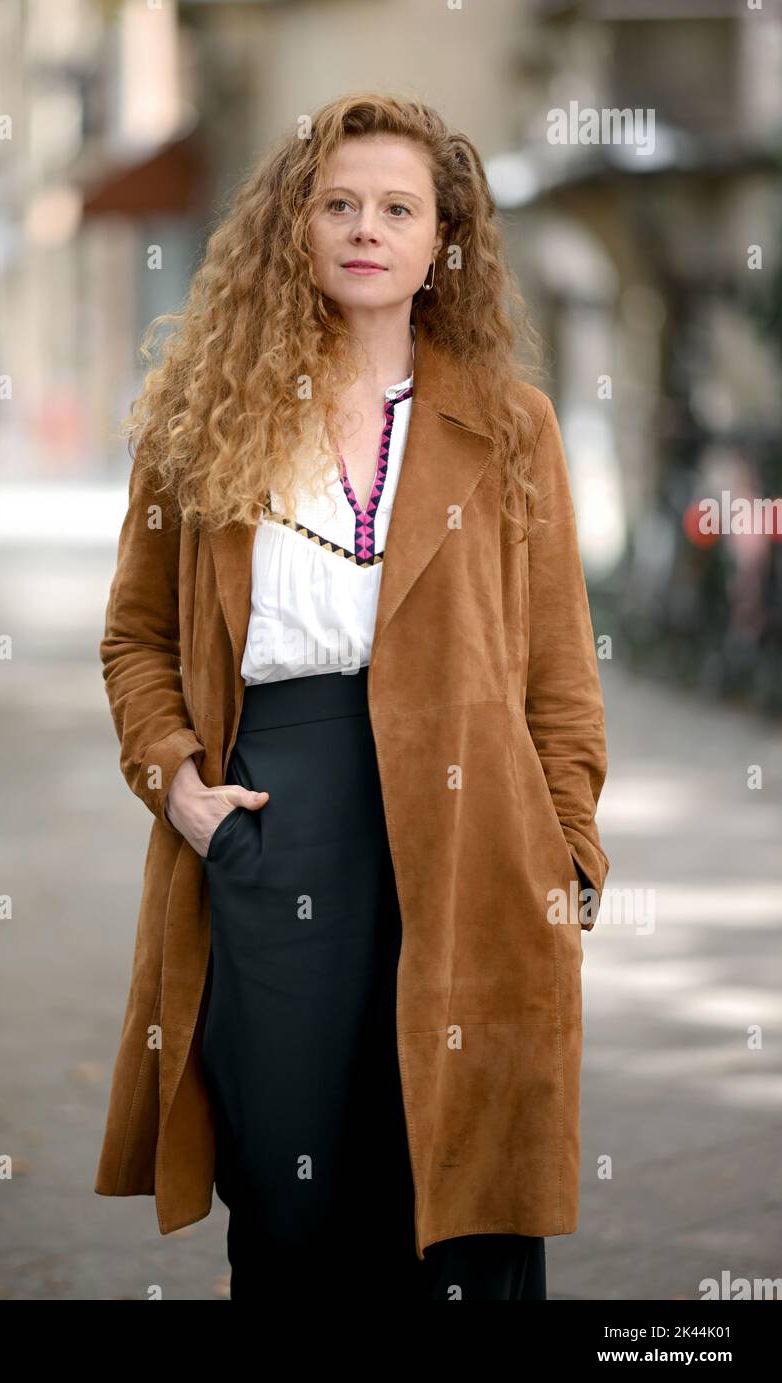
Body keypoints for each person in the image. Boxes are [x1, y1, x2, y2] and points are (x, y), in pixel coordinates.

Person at [95, 93, 610, 1302]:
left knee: (464, 1192)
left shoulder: (511, 426)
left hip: (477, 825)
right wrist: (180, 789)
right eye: (337, 203)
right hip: (276, 813)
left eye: (397, 207)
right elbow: (134, 636)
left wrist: (569, 847)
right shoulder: (197, 420)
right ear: (295, 227)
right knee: (291, 1202)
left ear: (445, 241)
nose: (364, 228)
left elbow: (558, 667)